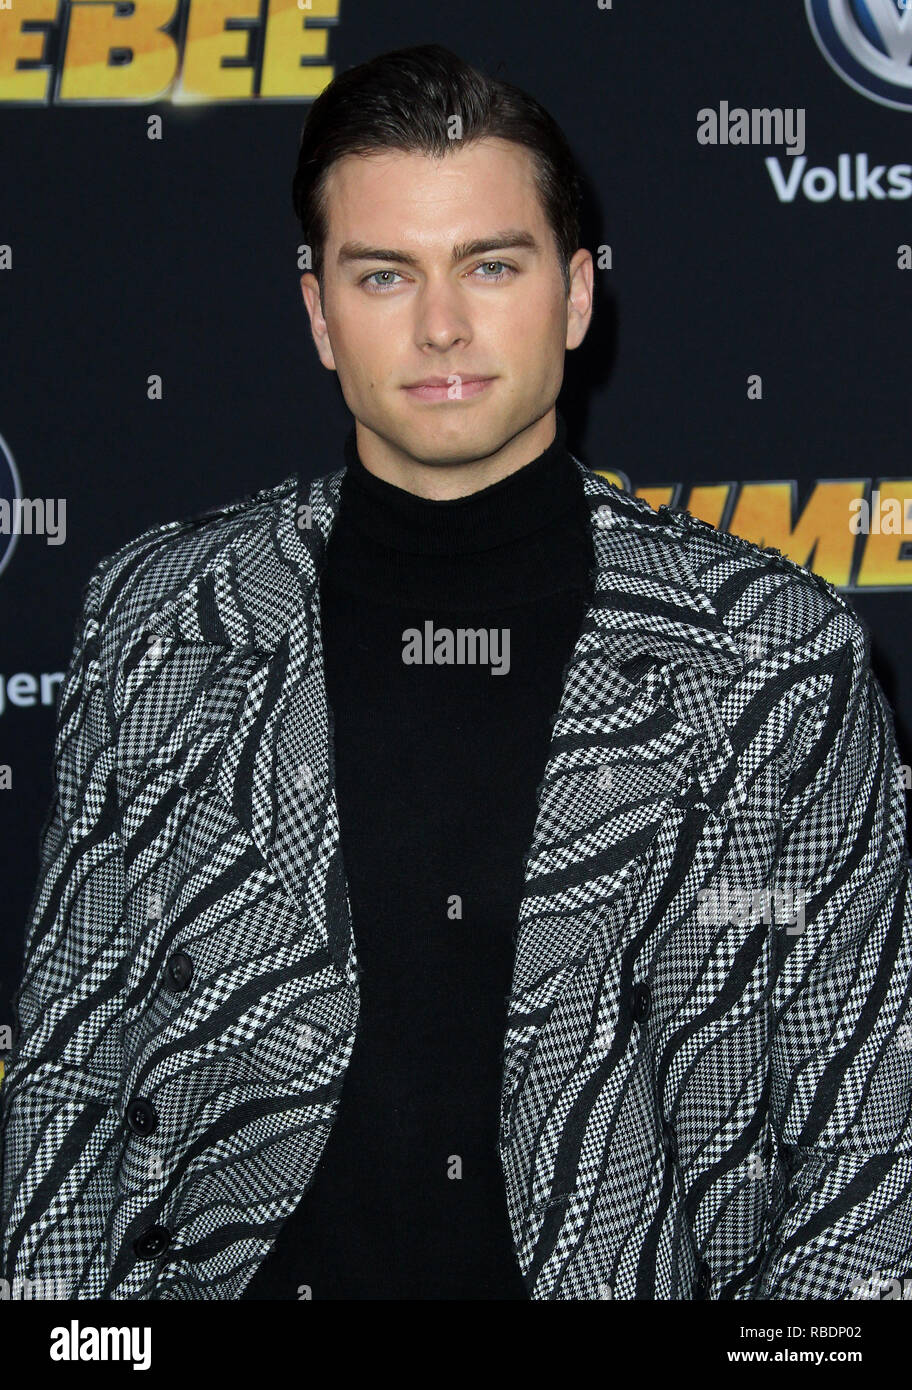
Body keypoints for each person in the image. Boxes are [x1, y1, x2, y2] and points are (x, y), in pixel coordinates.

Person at [2, 43, 911, 1302]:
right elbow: (66, 1071)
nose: (441, 325)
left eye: (491, 265)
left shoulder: (777, 660)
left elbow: (863, 1147)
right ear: (320, 313)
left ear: (578, 295)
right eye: (386, 275)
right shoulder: (161, 617)